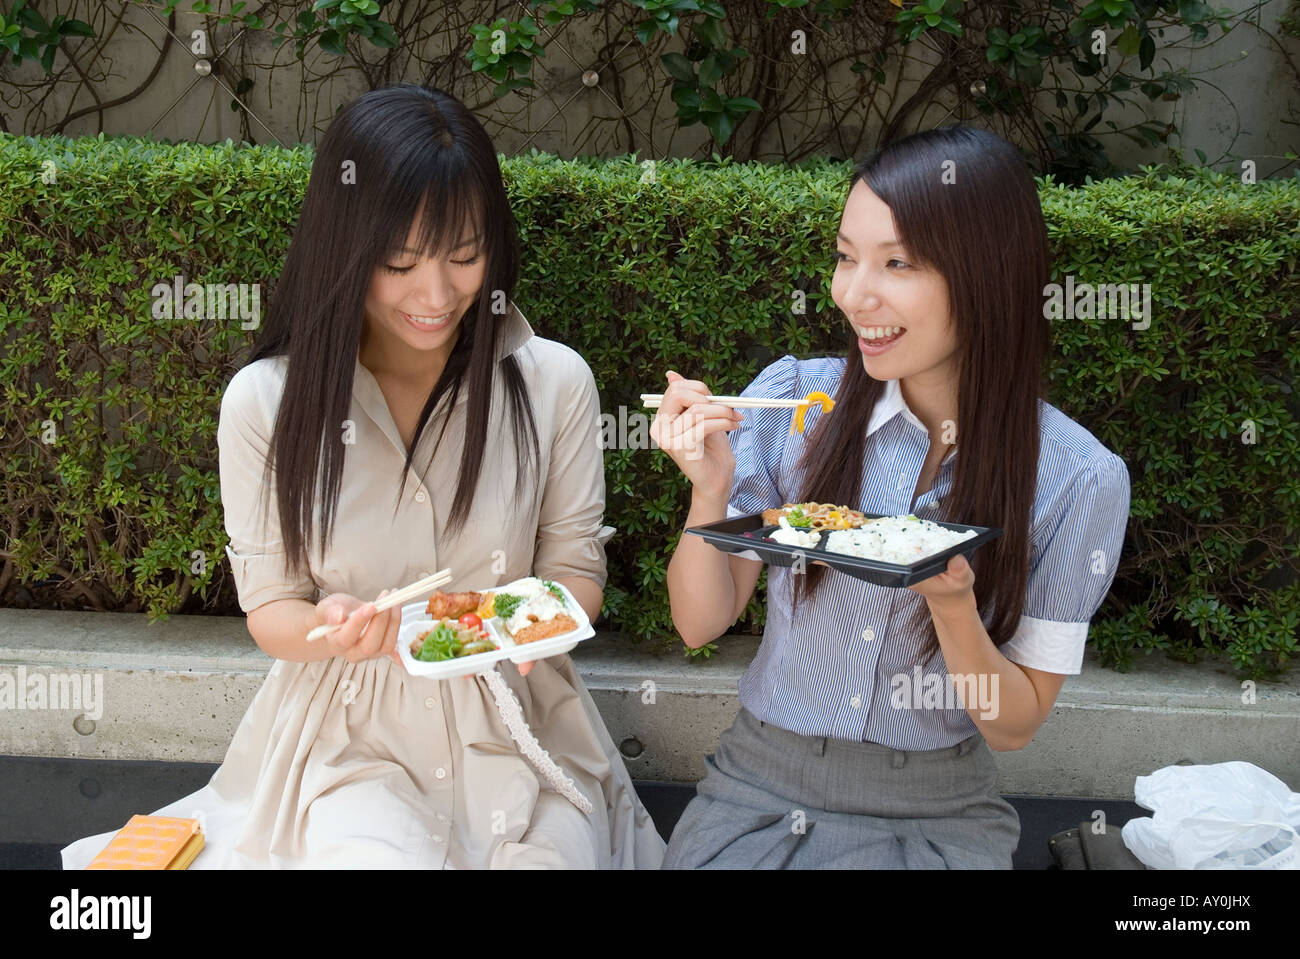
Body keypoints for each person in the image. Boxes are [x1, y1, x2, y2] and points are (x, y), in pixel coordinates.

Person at [61, 84, 665, 869]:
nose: (438, 294)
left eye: (465, 255)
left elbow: (576, 573)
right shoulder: (266, 402)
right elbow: (272, 607)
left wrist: (521, 621)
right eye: (399, 261)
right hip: (349, 742)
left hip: (520, 725)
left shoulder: (552, 382)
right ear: (345, 246)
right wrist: (333, 624)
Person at [650, 126, 1131, 869]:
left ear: (988, 274)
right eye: (846, 257)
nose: (853, 293)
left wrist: (951, 601)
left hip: (936, 814)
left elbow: (1012, 725)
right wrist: (709, 490)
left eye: (897, 262)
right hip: (758, 790)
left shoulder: (1077, 477)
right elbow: (698, 622)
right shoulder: (796, 402)